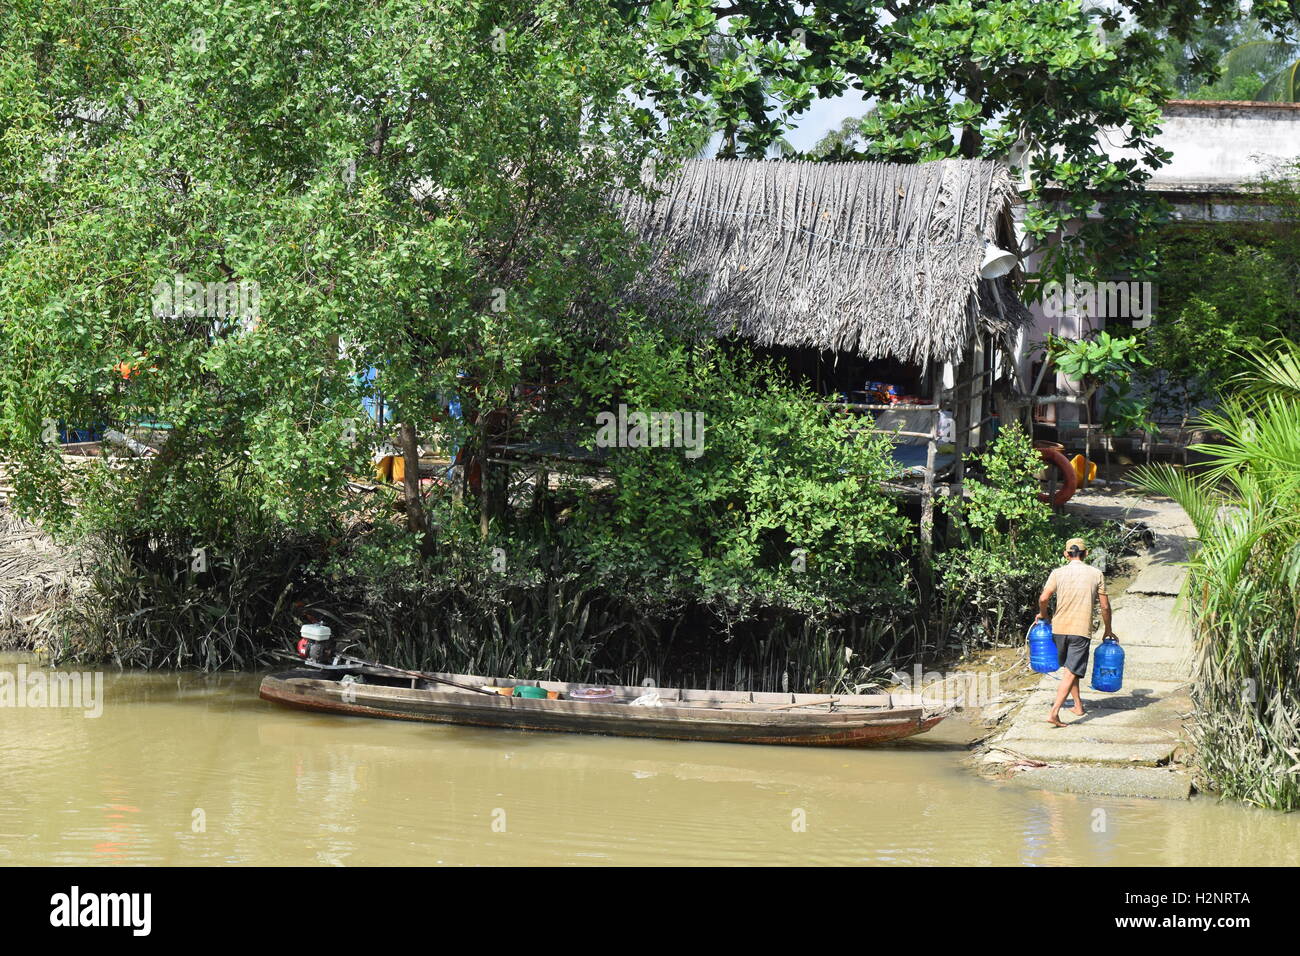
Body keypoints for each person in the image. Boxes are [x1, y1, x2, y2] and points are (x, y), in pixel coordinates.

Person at [1036, 537, 1116, 727]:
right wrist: (1108, 630)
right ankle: (1054, 712)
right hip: (1080, 630)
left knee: (1070, 669)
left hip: (1059, 628)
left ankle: (1078, 706)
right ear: (1086, 553)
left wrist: (1043, 614)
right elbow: (1105, 607)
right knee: (1071, 671)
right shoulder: (1096, 574)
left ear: (1066, 554)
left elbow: (1044, 597)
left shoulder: (1057, 573)